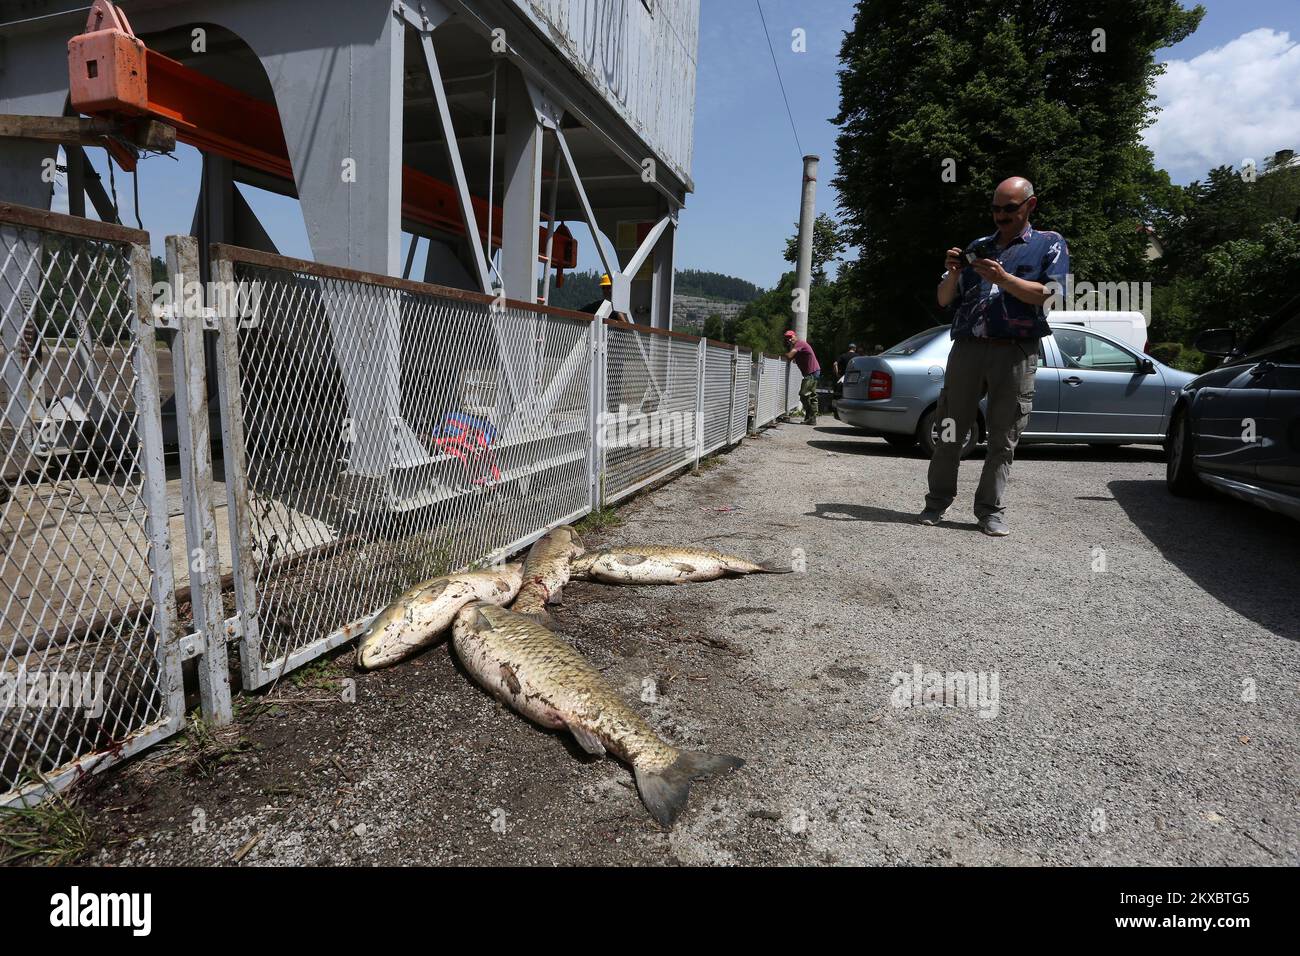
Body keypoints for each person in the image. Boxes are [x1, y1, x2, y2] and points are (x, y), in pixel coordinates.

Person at [920, 176, 1068, 537]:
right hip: (968, 348)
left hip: (1015, 351)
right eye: (996, 209)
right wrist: (953, 272)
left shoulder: (1049, 244)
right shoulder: (979, 246)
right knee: (950, 429)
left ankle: (989, 511)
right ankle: (936, 502)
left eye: (1009, 209)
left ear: (1030, 205)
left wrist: (1004, 279)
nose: (1000, 216)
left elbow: (1051, 296)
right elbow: (943, 299)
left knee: (1003, 437)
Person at [782, 329, 821, 425]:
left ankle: (812, 417)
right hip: (811, 372)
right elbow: (792, 357)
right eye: (787, 339)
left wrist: (785, 355)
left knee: (804, 394)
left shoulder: (800, 344)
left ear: (795, 336)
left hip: (812, 372)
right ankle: (811, 418)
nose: (789, 340)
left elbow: (790, 356)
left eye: (790, 337)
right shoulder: (797, 346)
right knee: (810, 396)